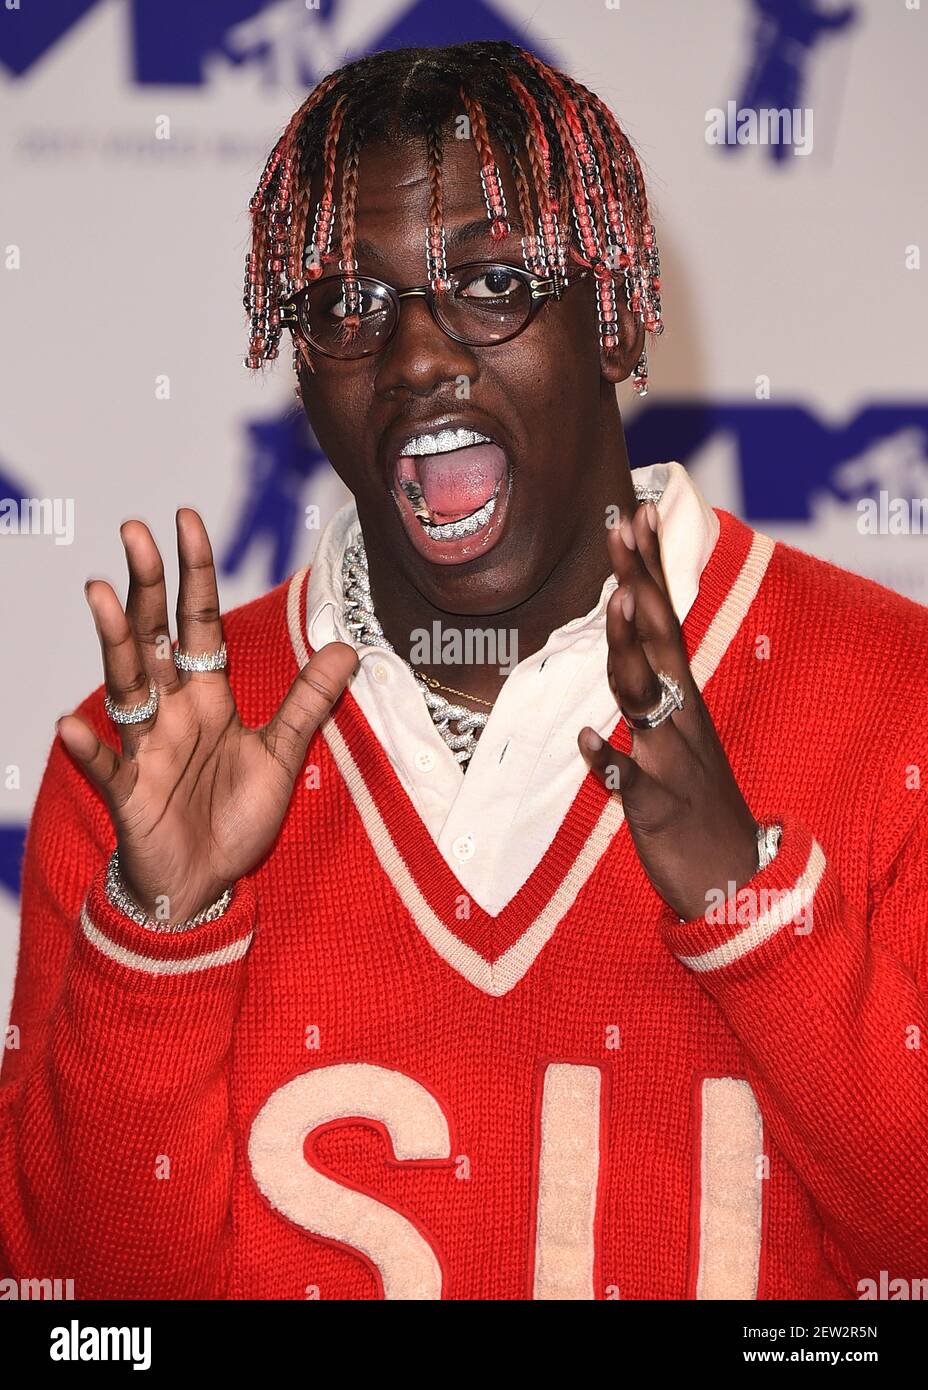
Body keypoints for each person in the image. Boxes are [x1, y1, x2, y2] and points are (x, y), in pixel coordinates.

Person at [2, 39, 926, 1302]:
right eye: (347, 307)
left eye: (494, 283)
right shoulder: (154, 761)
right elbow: (82, 1320)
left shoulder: (890, 698)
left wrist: (750, 909)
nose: (420, 356)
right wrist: (161, 938)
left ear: (617, 316)